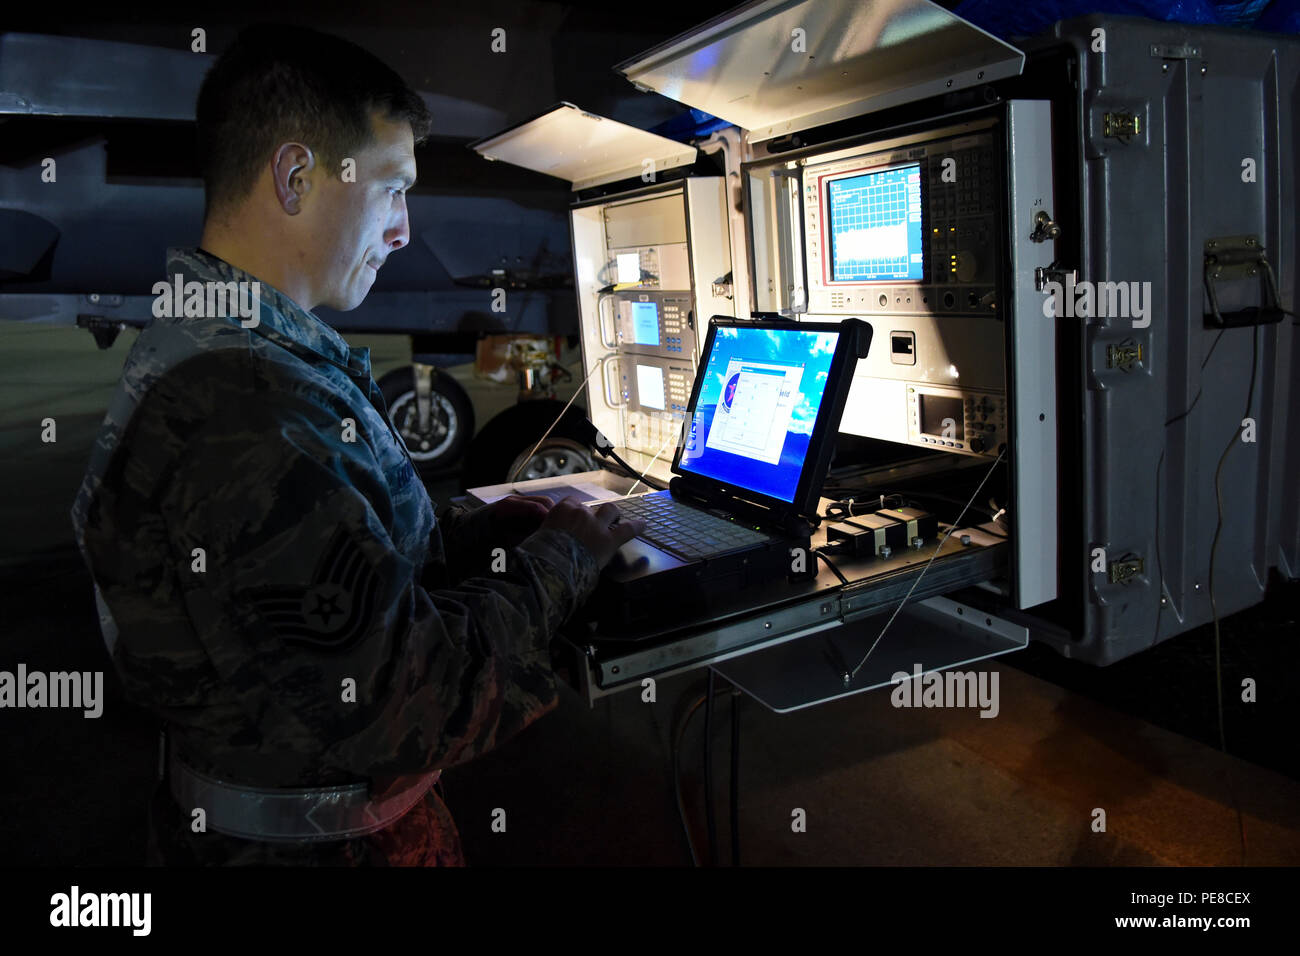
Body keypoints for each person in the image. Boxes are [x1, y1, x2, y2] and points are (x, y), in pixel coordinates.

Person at [69, 23, 643, 866]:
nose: (406, 229)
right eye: (391, 190)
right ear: (297, 177)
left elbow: (334, 556)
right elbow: (408, 705)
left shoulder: (229, 347)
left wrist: (482, 536)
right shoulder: (247, 407)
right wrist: (561, 561)